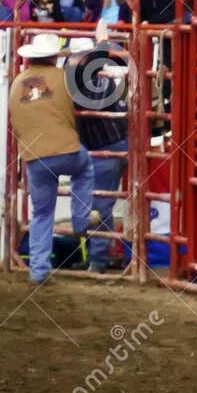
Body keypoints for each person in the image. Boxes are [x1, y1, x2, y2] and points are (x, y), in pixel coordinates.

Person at [8, 32, 95, 284]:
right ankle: (80, 221)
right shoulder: (63, 77)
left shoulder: (18, 83)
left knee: (42, 214)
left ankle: (38, 270)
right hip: (66, 149)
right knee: (85, 166)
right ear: (54, 56)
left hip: (34, 157)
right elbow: (87, 98)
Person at [65, 26, 130, 273]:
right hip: (105, 144)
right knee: (95, 202)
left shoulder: (89, 80)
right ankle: (98, 255)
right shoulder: (96, 76)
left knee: (99, 204)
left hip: (107, 146)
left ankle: (99, 260)